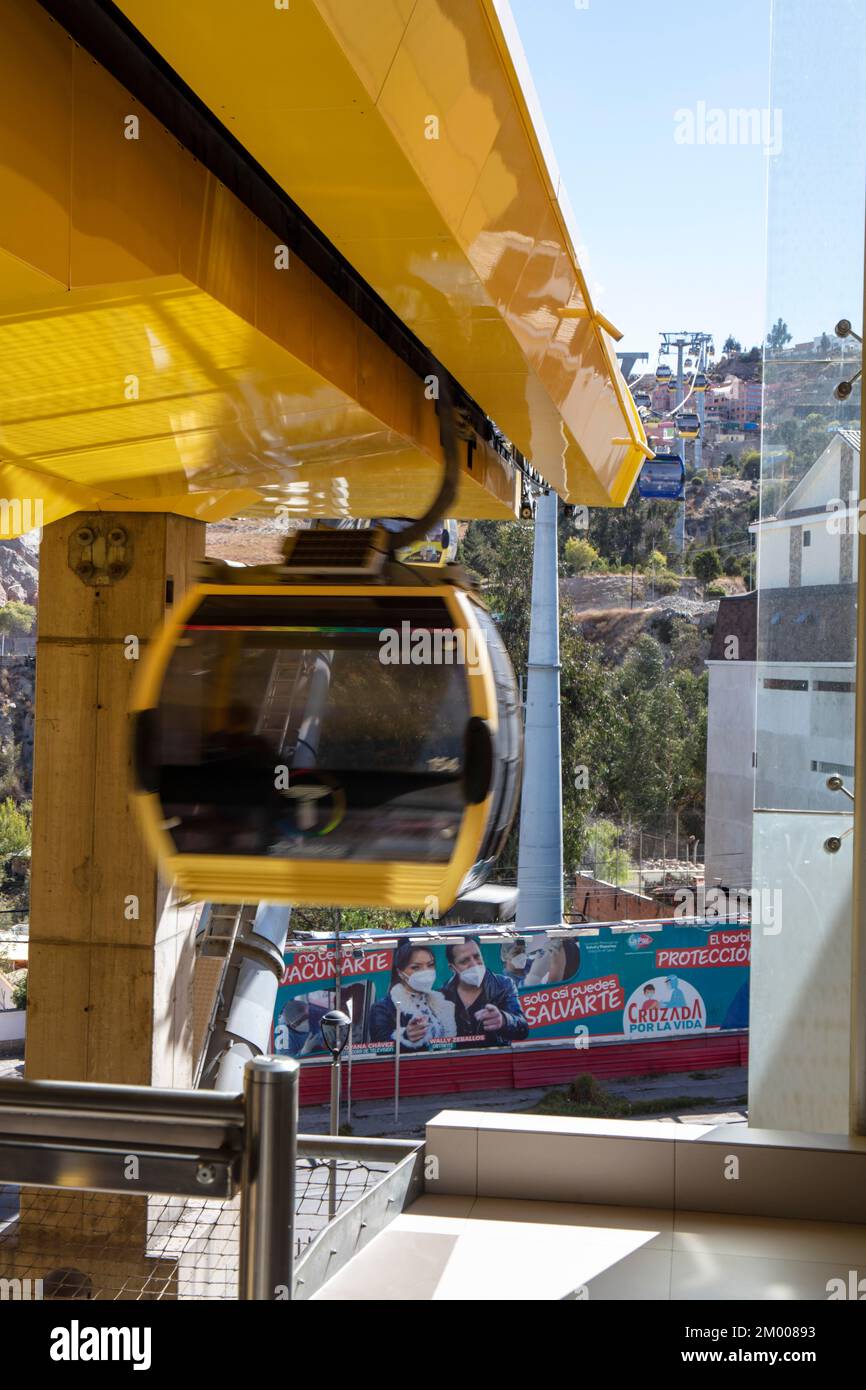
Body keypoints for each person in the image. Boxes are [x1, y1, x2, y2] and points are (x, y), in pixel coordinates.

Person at [442, 937, 528, 1048]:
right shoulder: (442, 996)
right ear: (452, 968)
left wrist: (503, 1020)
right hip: (457, 1061)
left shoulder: (503, 985)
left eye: (477, 957)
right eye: (465, 961)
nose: (474, 964)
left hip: (497, 1058)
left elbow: (522, 1028)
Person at [368, 942, 456, 1051]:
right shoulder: (383, 1008)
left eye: (430, 965)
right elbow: (380, 1047)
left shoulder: (444, 1002)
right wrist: (405, 1036)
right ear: (400, 973)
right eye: (416, 967)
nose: (426, 971)